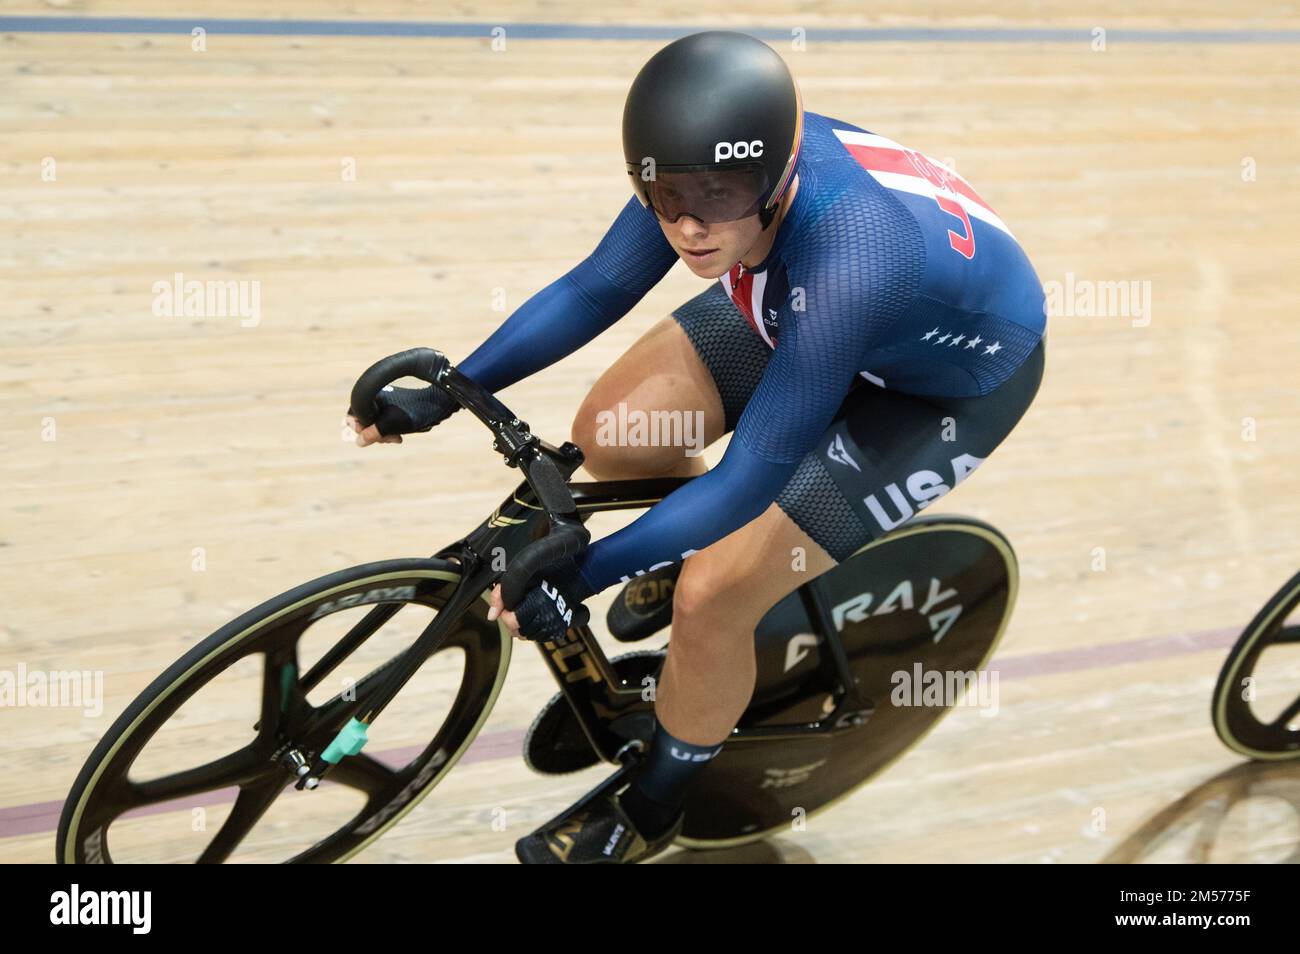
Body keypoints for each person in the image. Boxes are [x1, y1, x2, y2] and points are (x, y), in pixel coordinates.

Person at [349, 30, 1047, 864]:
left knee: (714, 594)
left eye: (714, 198)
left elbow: (753, 474)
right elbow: (594, 285)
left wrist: (585, 572)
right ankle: (688, 559)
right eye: (664, 195)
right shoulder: (710, 173)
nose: (687, 225)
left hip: (934, 389)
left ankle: (657, 800)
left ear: (780, 175)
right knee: (614, 431)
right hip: (805, 300)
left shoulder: (850, 252)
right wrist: (455, 389)